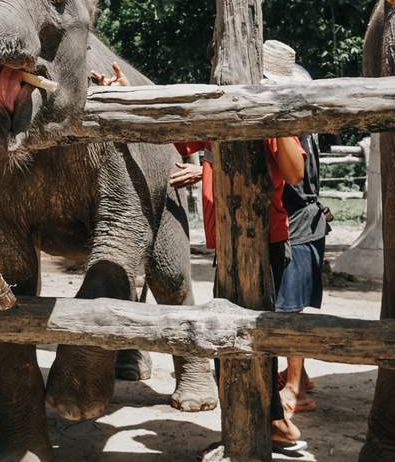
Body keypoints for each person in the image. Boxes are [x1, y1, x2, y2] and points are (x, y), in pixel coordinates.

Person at [98, 50, 307, 453]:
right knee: (229, 336)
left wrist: (275, 116)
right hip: (228, 242)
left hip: (263, 244)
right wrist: (127, 97)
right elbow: (173, 132)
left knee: (249, 338)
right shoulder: (221, 114)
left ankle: (269, 426)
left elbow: (295, 172)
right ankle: (259, 426)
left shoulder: (270, 119)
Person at [263, 44, 332, 418]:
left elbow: (292, 175)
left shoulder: (287, 122)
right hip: (304, 217)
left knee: (289, 309)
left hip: (299, 219)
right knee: (290, 305)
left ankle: (294, 388)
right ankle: (298, 377)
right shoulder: (300, 117)